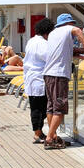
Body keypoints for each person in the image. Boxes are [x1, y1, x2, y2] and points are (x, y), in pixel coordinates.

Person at [41, 13, 84, 149]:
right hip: (59, 74)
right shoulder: (68, 29)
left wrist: (73, 50)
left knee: (51, 107)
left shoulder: (53, 33)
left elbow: (60, 48)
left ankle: (53, 136)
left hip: (48, 73)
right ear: (69, 23)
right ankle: (49, 139)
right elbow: (78, 31)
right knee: (60, 108)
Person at [23, 16, 53, 144]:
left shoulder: (32, 41)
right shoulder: (43, 44)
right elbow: (50, 58)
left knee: (35, 107)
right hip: (39, 79)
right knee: (40, 108)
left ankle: (38, 132)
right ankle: (37, 134)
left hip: (31, 77)